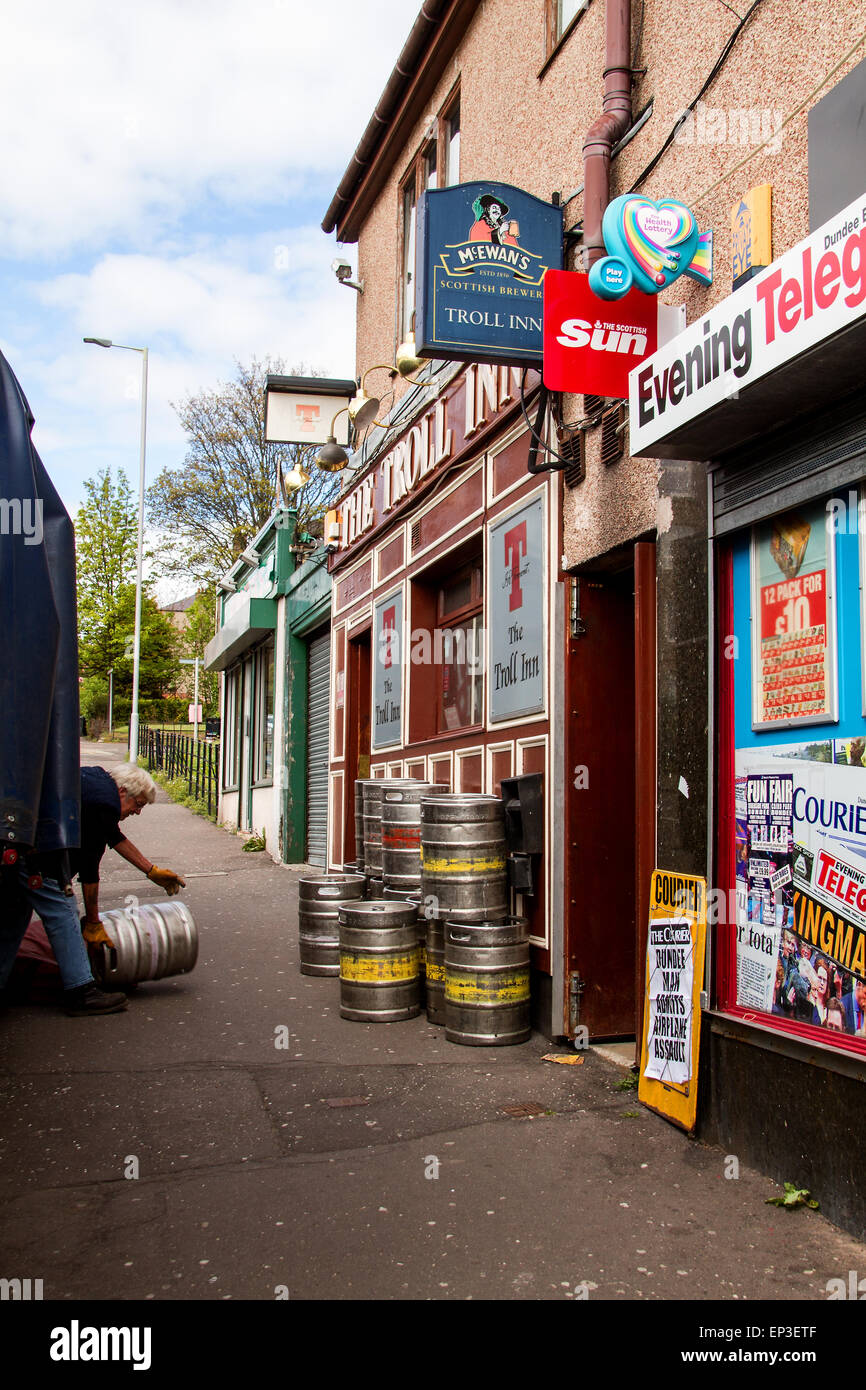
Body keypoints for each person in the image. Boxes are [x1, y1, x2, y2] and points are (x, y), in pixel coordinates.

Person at [0, 762, 185, 1016]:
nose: (138, 812)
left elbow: (112, 834)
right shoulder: (104, 803)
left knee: (15, 917)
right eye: (139, 804)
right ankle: (81, 992)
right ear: (123, 792)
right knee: (63, 913)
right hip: (37, 856)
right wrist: (94, 923)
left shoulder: (97, 782)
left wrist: (151, 871)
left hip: (19, 840)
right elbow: (89, 867)